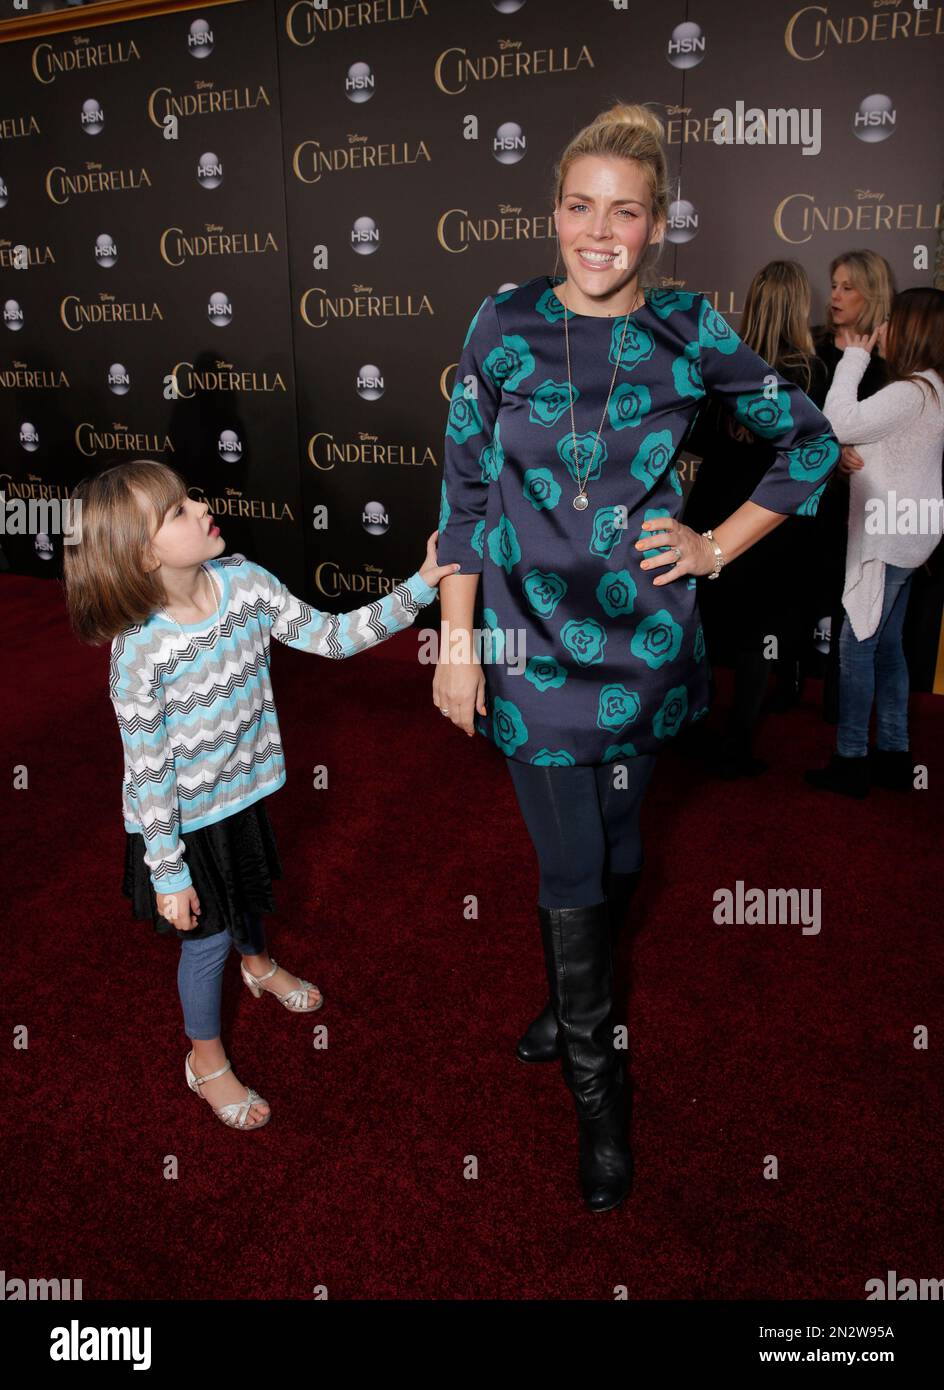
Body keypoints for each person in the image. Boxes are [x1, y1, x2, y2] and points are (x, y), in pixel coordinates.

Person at [432, 102, 842, 1213]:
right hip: (523, 643)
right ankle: (595, 1092)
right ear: (551, 212)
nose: (598, 230)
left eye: (624, 211)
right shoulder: (499, 323)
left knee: (615, 856)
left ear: (657, 224)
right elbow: (465, 490)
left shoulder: (686, 329)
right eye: (579, 207)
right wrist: (457, 644)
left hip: (646, 643)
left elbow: (806, 444)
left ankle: (574, 991)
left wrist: (712, 544)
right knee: (569, 867)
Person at [62, 460, 454, 1131]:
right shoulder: (138, 653)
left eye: (190, 495)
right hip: (179, 826)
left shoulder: (243, 583)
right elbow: (148, 770)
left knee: (249, 888)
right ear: (142, 553)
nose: (199, 506)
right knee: (205, 940)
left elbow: (330, 638)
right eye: (177, 511)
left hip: (242, 792)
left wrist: (420, 586)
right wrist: (168, 869)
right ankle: (205, 1062)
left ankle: (260, 963)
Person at [681, 261, 830, 777]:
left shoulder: (728, 365)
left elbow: (695, 440)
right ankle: (737, 744)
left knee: (705, 625)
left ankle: (691, 728)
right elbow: (815, 450)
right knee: (755, 638)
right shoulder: (809, 373)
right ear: (798, 307)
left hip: (711, 513)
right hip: (764, 520)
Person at [806, 287, 944, 799]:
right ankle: (893, 753)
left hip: (888, 538)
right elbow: (882, 445)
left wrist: (854, 357)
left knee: (855, 648)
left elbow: (835, 421)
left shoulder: (911, 391)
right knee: (888, 648)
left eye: (891, 322)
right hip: (914, 536)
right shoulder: (932, 387)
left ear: (911, 330)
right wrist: (846, 454)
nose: (882, 330)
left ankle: (851, 761)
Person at [810, 251, 893, 722]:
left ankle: (840, 702)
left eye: (848, 288)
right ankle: (790, 678)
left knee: (851, 596)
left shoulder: (889, 363)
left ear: (872, 294)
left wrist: (857, 454)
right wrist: (831, 451)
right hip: (809, 496)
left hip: (863, 502)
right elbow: (801, 423)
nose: (836, 296)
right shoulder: (814, 349)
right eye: (834, 285)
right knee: (807, 586)